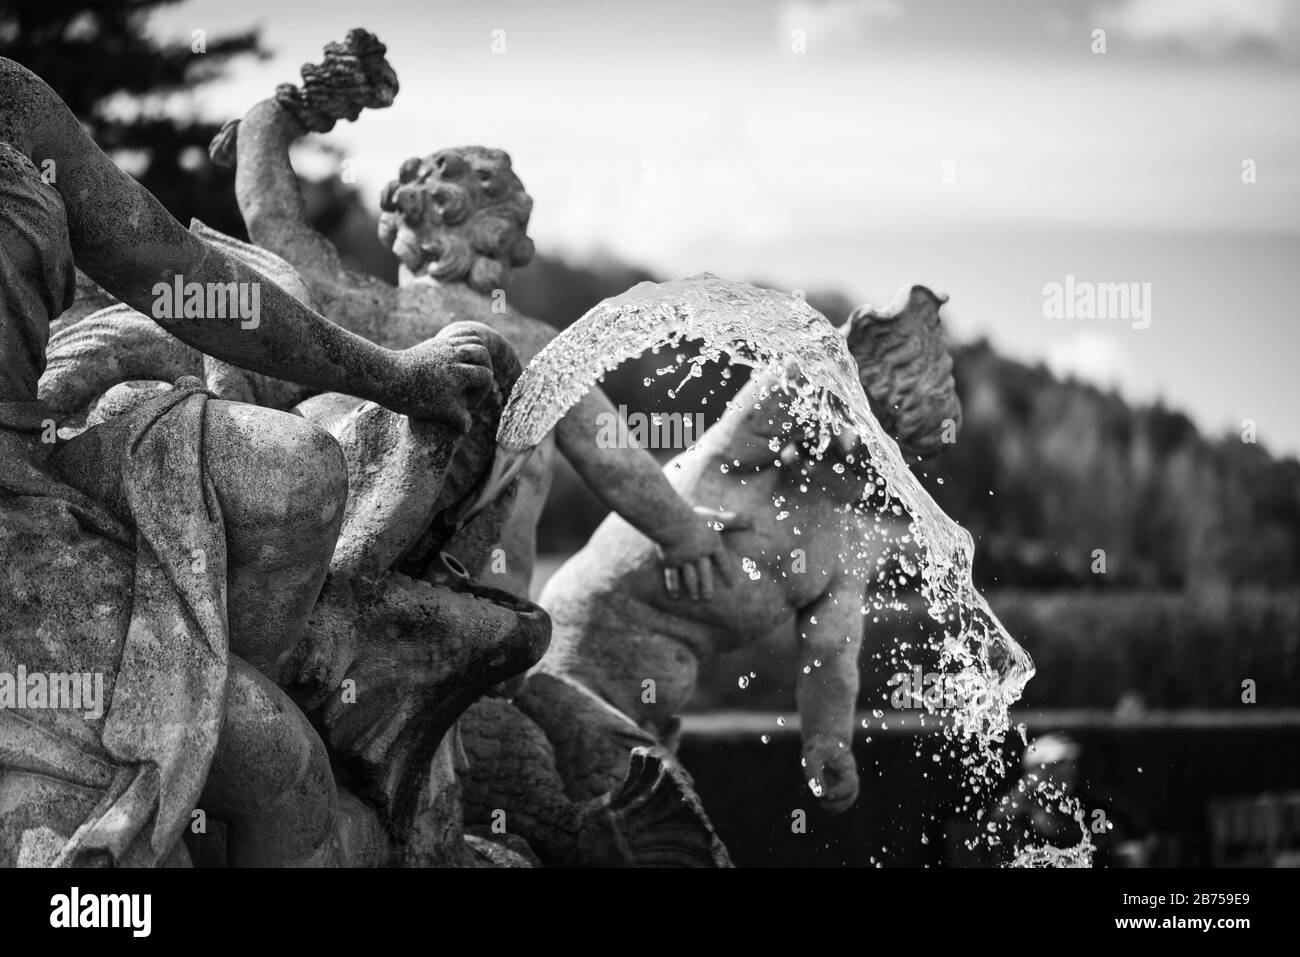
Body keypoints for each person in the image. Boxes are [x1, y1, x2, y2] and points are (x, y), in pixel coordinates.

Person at [0, 57, 503, 867]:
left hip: (36, 464)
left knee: (296, 469)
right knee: (269, 760)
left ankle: (232, 685)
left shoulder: (12, 100)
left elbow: (185, 275)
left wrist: (397, 375)